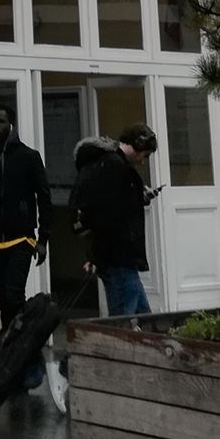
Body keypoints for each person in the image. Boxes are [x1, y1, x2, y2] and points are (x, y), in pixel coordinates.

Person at [0, 104, 53, 334]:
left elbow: (44, 197)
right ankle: (10, 347)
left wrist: (43, 239)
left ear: (11, 124)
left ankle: (24, 348)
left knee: (13, 296)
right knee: (2, 301)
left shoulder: (28, 156)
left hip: (22, 238)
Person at [71, 123, 160, 316]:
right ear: (138, 145)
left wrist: (137, 196)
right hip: (117, 254)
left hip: (119, 255)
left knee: (141, 313)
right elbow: (106, 212)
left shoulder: (107, 164)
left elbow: (112, 204)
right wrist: (96, 254)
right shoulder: (114, 166)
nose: (143, 161)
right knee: (124, 317)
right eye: (145, 155)